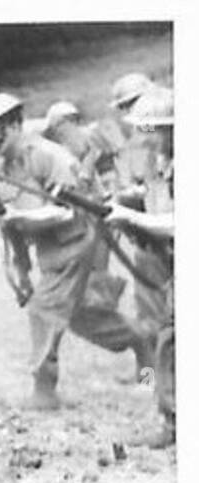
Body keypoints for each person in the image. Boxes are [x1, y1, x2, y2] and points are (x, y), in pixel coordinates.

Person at [0, 91, 149, 410]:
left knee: (44, 309)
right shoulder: (11, 166)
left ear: (12, 125)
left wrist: (20, 218)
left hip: (77, 242)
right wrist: (20, 271)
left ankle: (44, 392)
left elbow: (67, 212)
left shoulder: (50, 156)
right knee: (83, 316)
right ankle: (142, 344)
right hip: (52, 248)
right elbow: (13, 223)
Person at [107, 87, 174, 446]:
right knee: (157, 332)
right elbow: (148, 193)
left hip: (169, 257)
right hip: (155, 255)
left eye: (150, 128)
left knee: (162, 334)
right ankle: (155, 392)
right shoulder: (155, 160)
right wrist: (123, 201)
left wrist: (129, 214)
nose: (140, 133)